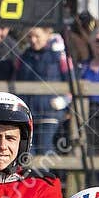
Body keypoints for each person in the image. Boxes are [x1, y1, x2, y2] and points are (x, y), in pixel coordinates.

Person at [15, 24, 69, 157]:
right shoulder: (24, 56)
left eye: (37, 36)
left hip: (50, 113)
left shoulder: (59, 56)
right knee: (27, 154)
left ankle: (47, 178)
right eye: (30, 36)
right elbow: (16, 79)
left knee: (45, 151)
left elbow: (71, 79)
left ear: (47, 35)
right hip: (29, 114)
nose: (33, 40)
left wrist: (66, 100)